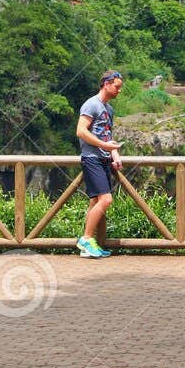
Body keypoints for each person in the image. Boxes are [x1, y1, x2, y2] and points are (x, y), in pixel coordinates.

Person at [75, 70, 125, 258]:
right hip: (92, 158)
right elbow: (81, 131)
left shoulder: (109, 109)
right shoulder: (91, 104)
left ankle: (88, 246)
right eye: (117, 87)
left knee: (95, 201)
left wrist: (115, 154)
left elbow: (107, 136)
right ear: (106, 84)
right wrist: (104, 145)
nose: (119, 91)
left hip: (104, 159)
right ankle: (86, 239)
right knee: (106, 200)